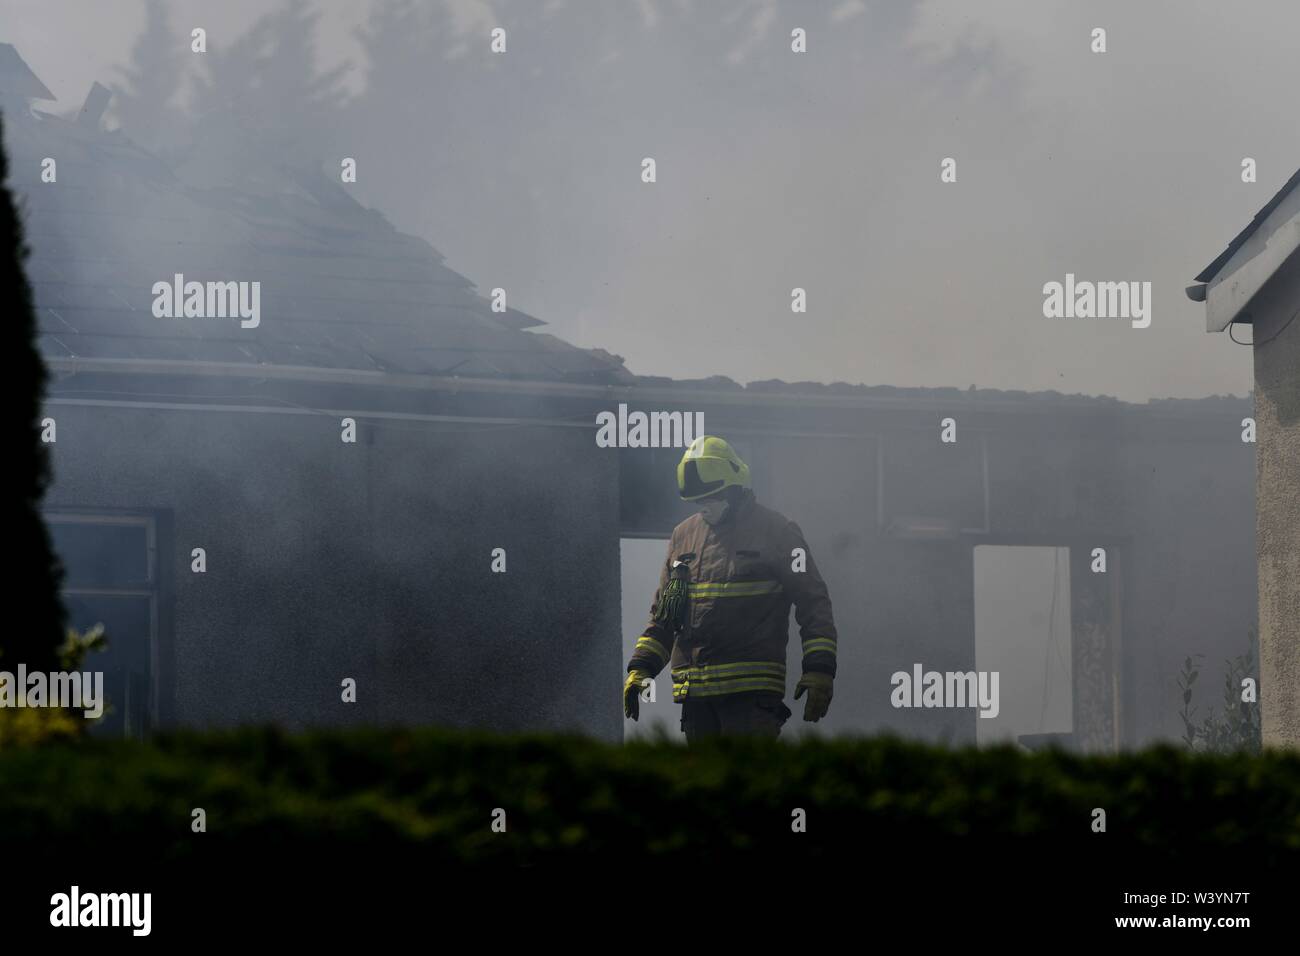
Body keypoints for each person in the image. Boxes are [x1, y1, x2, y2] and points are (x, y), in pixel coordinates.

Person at [623, 435, 839, 740]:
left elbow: (813, 603)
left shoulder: (779, 532)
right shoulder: (683, 536)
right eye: (698, 501)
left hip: (752, 699)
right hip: (695, 698)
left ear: (736, 488)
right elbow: (665, 615)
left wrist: (819, 669)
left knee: (747, 785)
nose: (704, 507)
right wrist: (641, 669)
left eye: (712, 497)